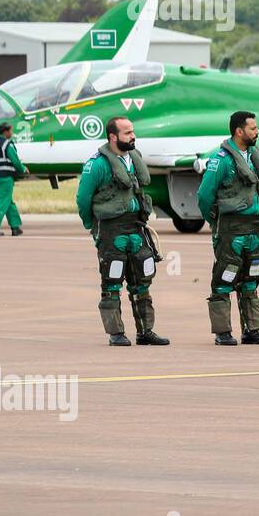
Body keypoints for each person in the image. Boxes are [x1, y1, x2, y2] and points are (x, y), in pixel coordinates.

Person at [75, 116, 168, 346]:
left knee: (142, 282)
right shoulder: (97, 164)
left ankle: (145, 332)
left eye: (133, 132)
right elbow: (82, 199)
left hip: (136, 228)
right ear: (113, 137)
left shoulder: (133, 159)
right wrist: (94, 228)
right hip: (111, 230)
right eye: (127, 133)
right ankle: (116, 333)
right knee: (112, 282)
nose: (133, 136)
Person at [197, 110, 259, 346]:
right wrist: (215, 222)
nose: (257, 131)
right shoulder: (221, 160)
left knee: (251, 278)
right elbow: (204, 195)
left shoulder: (252, 156)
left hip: (252, 227)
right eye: (252, 128)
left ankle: (252, 330)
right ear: (239, 131)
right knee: (224, 278)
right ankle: (223, 332)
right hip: (230, 227)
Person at [0, 122, 26, 236]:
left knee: (8, 202)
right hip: (6, 178)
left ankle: (15, 227)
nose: (12, 133)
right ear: (6, 132)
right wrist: (23, 169)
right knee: (3, 202)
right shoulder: (7, 144)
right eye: (11, 131)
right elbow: (15, 160)